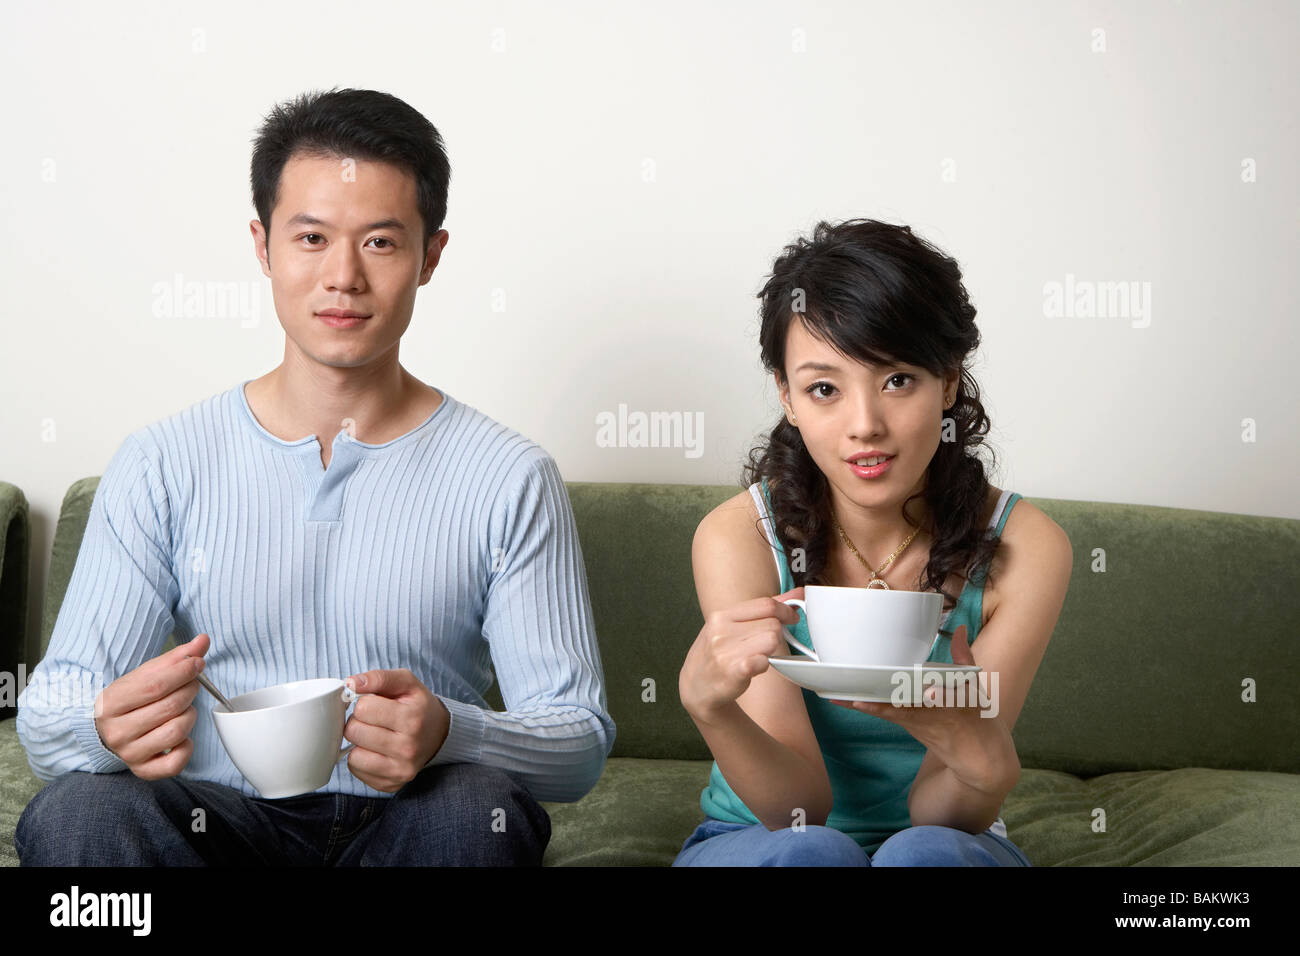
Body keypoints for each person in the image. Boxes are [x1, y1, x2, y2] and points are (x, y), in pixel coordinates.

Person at [14, 88, 615, 866]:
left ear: (431, 257)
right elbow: (48, 712)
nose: (342, 277)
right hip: (211, 823)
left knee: (478, 808)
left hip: (410, 822)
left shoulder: (509, 476)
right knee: (80, 815)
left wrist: (450, 732)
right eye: (310, 237)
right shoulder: (162, 462)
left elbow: (577, 741)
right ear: (264, 247)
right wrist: (101, 726)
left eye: (380, 243)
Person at [674, 219, 1072, 866]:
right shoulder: (741, 537)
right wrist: (710, 710)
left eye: (896, 381)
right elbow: (798, 810)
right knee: (811, 856)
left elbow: (942, 815)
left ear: (948, 380)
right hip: (766, 842)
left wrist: (982, 761)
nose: (865, 426)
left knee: (924, 857)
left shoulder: (1026, 547)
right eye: (824, 389)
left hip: (948, 840)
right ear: (788, 398)